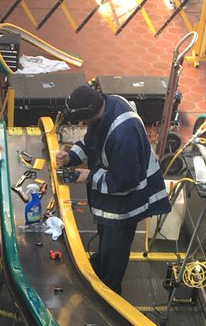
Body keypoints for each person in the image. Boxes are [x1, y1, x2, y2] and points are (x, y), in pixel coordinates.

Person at [55, 85, 169, 294]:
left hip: (126, 205)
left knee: (114, 252)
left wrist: (89, 175)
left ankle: (109, 293)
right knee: (106, 243)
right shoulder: (108, 104)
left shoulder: (123, 134)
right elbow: (92, 139)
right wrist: (71, 157)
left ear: (89, 113)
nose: (81, 124)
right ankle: (100, 263)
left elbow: (126, 180)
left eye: (82, 119)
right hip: (111, 201)